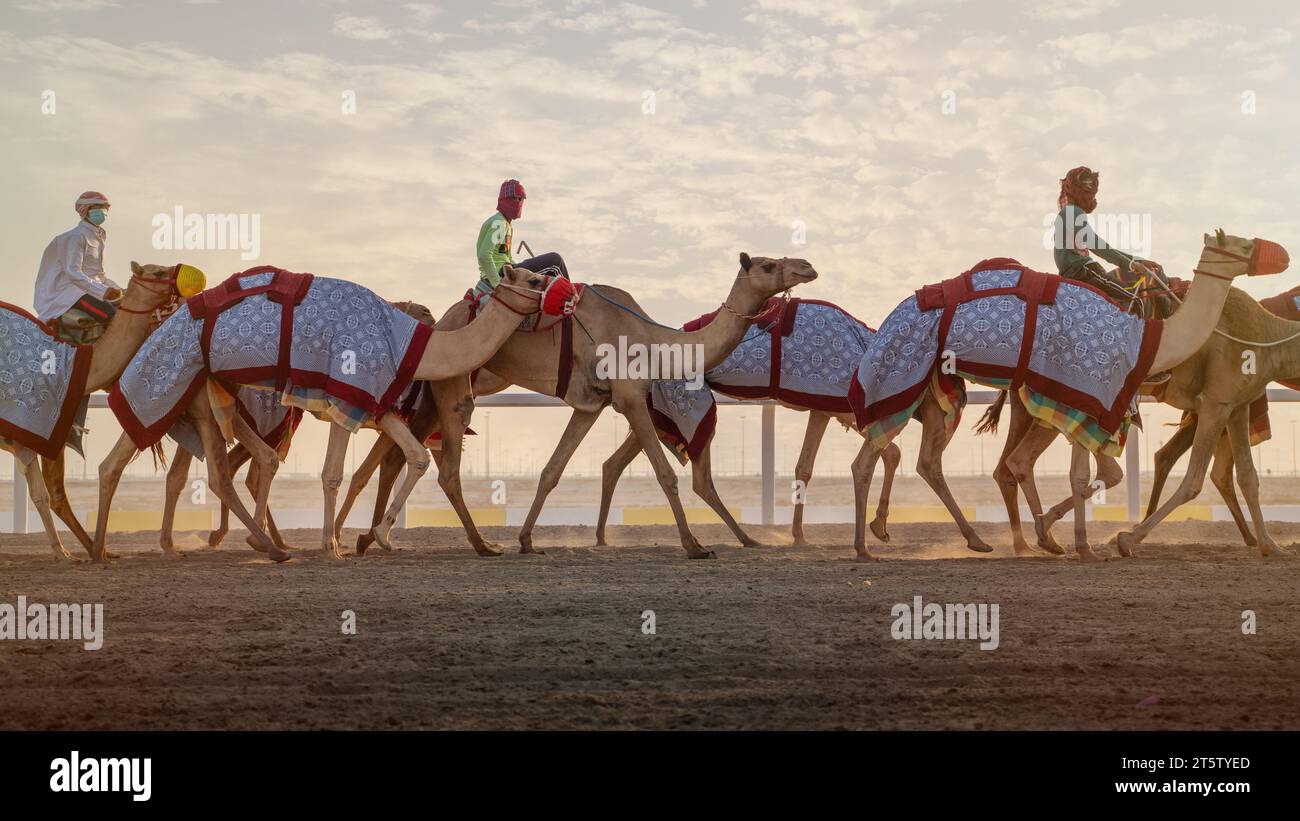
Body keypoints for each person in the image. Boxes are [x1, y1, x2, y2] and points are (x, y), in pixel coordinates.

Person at [1052, 166, 1168, 308]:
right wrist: (1130, 264)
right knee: (1135, 302)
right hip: (1084, 271)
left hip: (1075, 273)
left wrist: (1140, 261)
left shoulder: (1068, 213)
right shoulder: (1072, 211)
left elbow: (1102, 247)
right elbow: (1096, 244)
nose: (1093, 197)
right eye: (1090, 191)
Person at [34, 191, 123, 344]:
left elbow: (99, 276)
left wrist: (122, 291)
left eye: (105, 208)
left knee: (128, 308)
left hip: (89, 290)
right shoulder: (75, 237)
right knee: (113, 316)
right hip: (70, 294)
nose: (103, 212)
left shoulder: (98, 237)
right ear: (85, 210)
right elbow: (73, 273)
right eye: (98, 207)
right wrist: (103, 291)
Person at [474, 179, 569, 294]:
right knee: (555, 261)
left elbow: (505, 256)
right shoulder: (499, 223)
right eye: (518, 198)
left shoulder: (504, 223)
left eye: (521, 199)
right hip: (502, 272)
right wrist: (497, 283)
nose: (519, 203)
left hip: (507, 268)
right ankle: (571, 296)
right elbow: (484, 255)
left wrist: (523, 269)